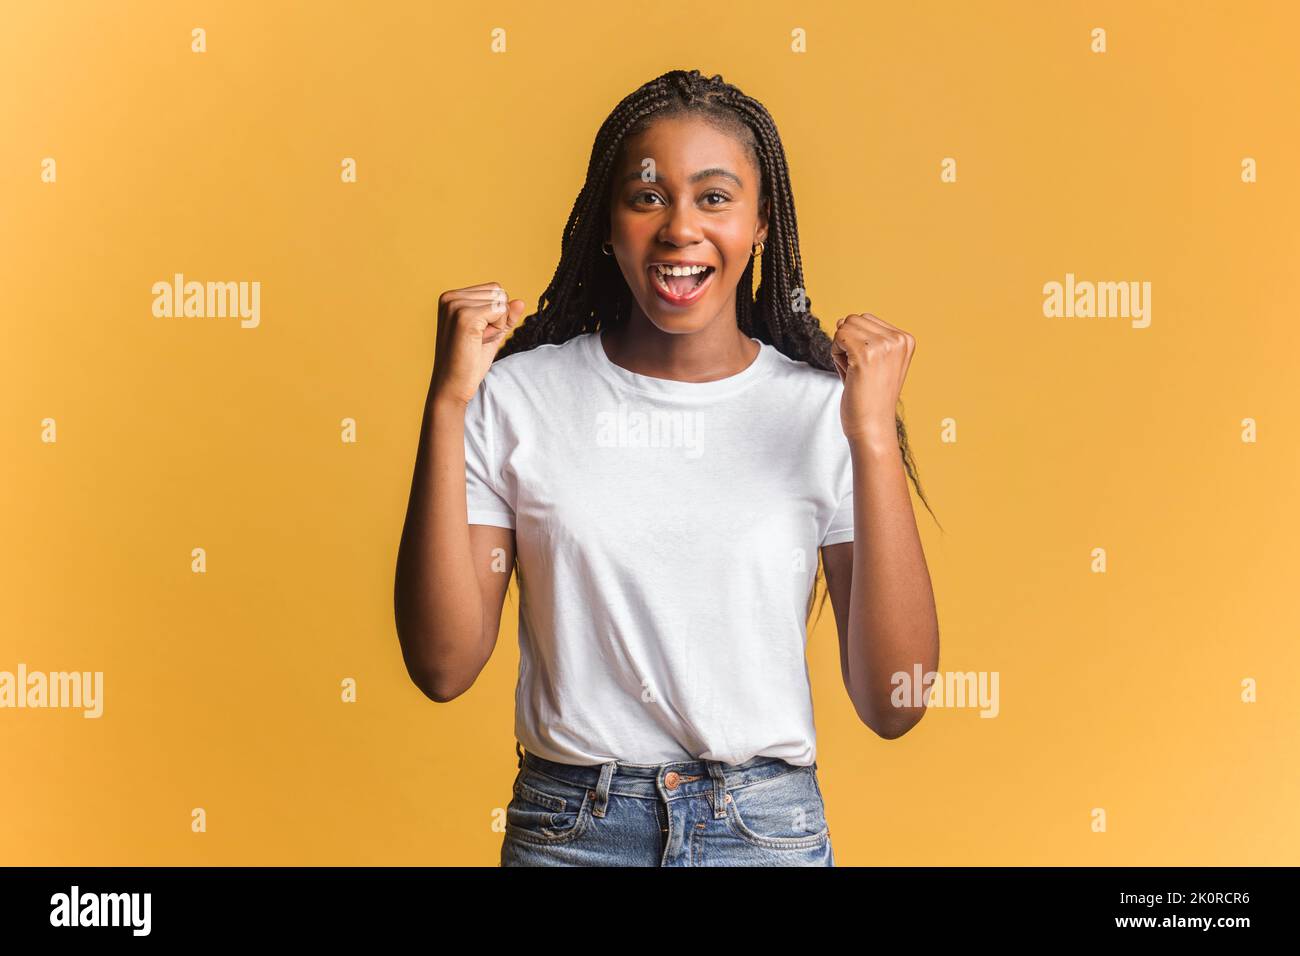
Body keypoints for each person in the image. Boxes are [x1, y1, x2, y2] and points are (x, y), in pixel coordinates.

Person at [394, 69, 941, 866]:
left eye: (714, 198)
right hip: (571, 834)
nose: (680, 227)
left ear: (761, 224)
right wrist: (446, 405)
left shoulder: (827, 414)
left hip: (764, 834)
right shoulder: (517, 397)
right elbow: (442, 666)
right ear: (606, 225)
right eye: (647, 196)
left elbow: (897, 702)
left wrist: (874, 439)